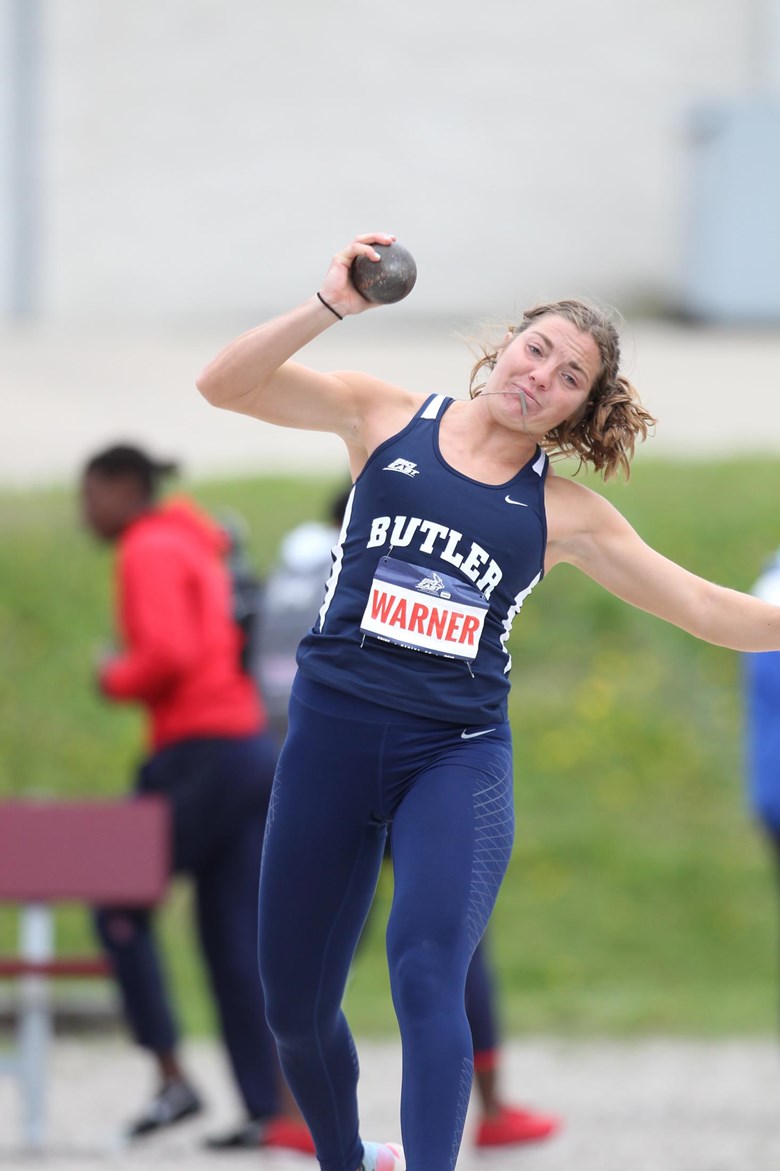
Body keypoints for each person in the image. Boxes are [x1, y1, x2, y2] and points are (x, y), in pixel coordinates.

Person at [196, 231, 780, 1171]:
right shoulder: (383, 417)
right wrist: (331, 304)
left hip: (453, 752)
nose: (541, 375)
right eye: (537, 349)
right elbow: (224, 386)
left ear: (581, 408)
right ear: (507, 344)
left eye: (569, 376)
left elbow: (712, 610)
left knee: (428, 972)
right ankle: (351, 1160)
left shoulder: (566, 514)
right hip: (330, 742)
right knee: (295, 1010)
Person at [256, 485, 559, 1145]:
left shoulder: (293, 573)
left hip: (424, 763)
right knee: (312, 986)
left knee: (431, 957)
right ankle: (486, 1106)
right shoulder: (353, 559)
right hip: (334, 763)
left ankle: (290, 1111)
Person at [81, 444, 313, 1153]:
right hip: (246, 751)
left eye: (91, 495)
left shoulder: (148, 547)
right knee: (233, 937)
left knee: (115, 898)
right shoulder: (192, 539)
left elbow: (169, 654)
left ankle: (171, 1076)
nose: (85, 512)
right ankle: (276, 1111)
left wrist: (114, 677)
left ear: (126, 487)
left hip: (199, 753)